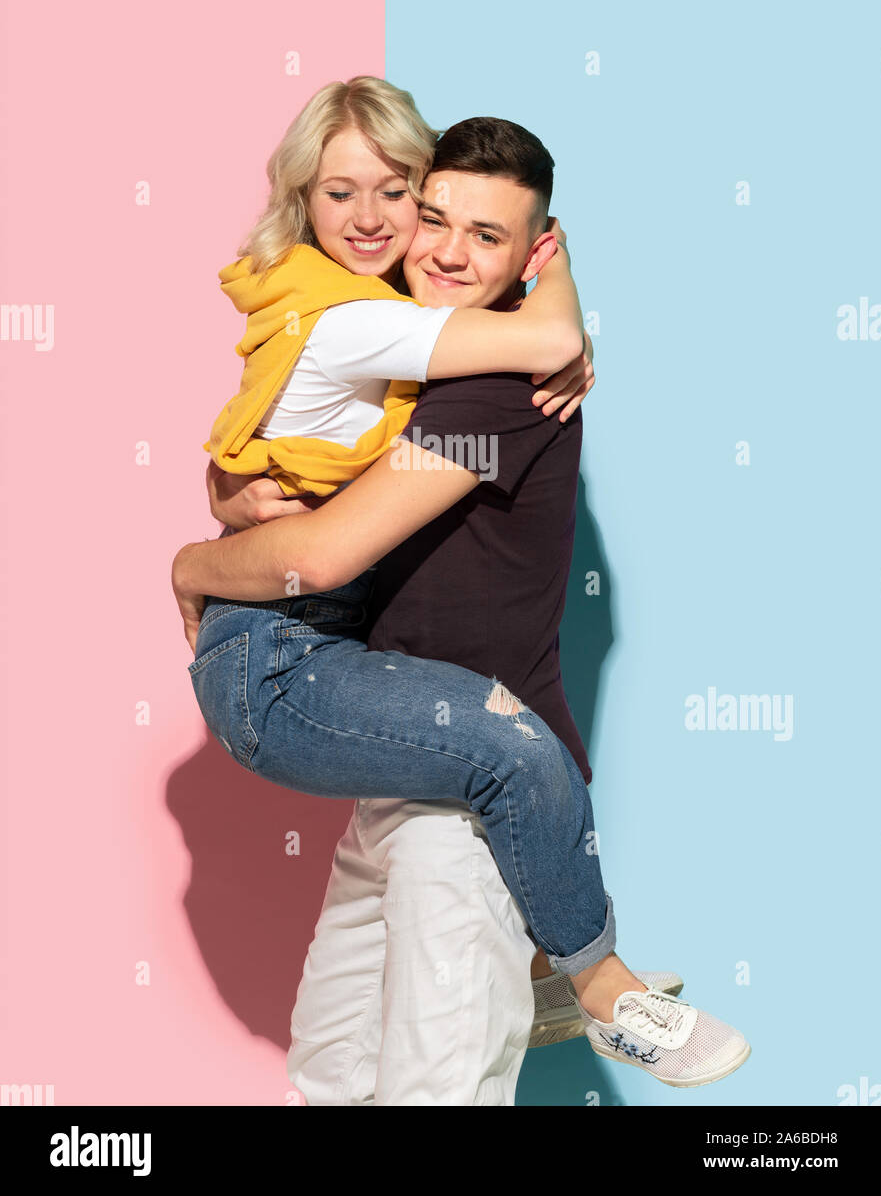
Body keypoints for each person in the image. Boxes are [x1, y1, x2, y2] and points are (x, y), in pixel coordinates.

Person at [173, 91, 750, 1095]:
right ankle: (567, 973)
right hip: (390, 746)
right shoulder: (399, 342)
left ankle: (594, 983)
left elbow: (329, 551)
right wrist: (220, 504)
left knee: (431, 1081)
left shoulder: (493, 388)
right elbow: (287, 468)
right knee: (335, 1070)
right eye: (431, 217)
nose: (440, 251)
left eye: (486, 236)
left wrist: (190, 565)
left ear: (532, 252)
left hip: (471, 790)